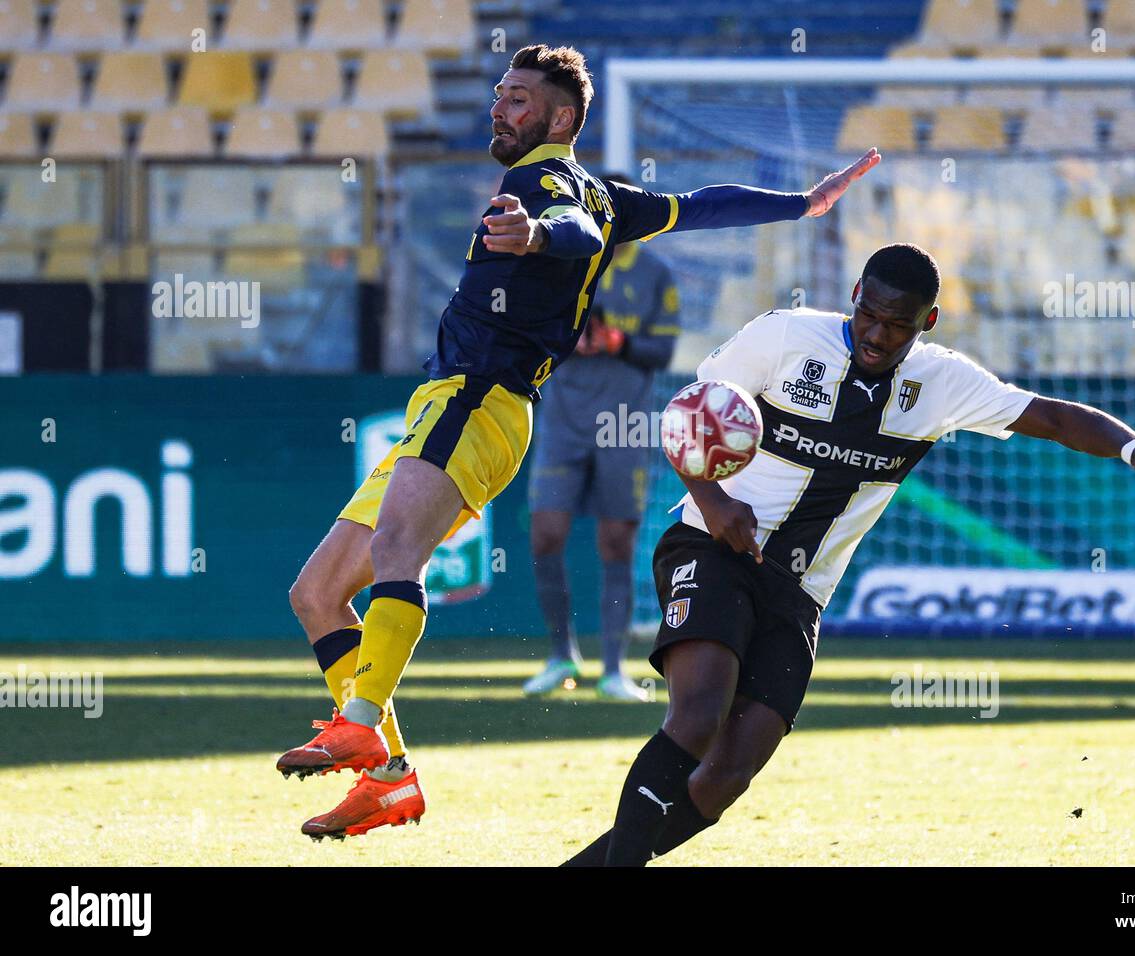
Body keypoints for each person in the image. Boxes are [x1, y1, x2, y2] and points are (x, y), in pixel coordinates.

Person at [275, 42, 883, 841]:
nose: (500, 107)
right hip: (459, 403)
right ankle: (387, 779)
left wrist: (535, 236)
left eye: (518, 98)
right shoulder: (608, 197)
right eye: (499, 93)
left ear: (561, 118)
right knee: (318, 594)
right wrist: (797, 203)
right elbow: (697, 205)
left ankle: (358, 722)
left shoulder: (548, 184)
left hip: (479, 396)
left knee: (397, 554)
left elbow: (569, 229)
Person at [564, 242, 1135, 865]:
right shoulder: (784, 338)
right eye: (870, 314)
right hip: (713, 545)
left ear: (928, 322)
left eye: (898, 325)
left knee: (727, 776)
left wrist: (1132, 447)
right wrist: (714, 499)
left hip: (801, 592)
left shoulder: (941, 382)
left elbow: (1050, 418)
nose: (877, 334)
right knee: (698, 717)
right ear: (855, 296)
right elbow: (687, 414)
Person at [525, 174, 681, 702]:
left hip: (623, 422)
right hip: (563, 418)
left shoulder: (657, 273)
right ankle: (560, 652)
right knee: (545, 532)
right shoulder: (562, 263)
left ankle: (614, 669)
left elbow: (661, 355)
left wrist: (617, 341)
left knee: (617, 542)